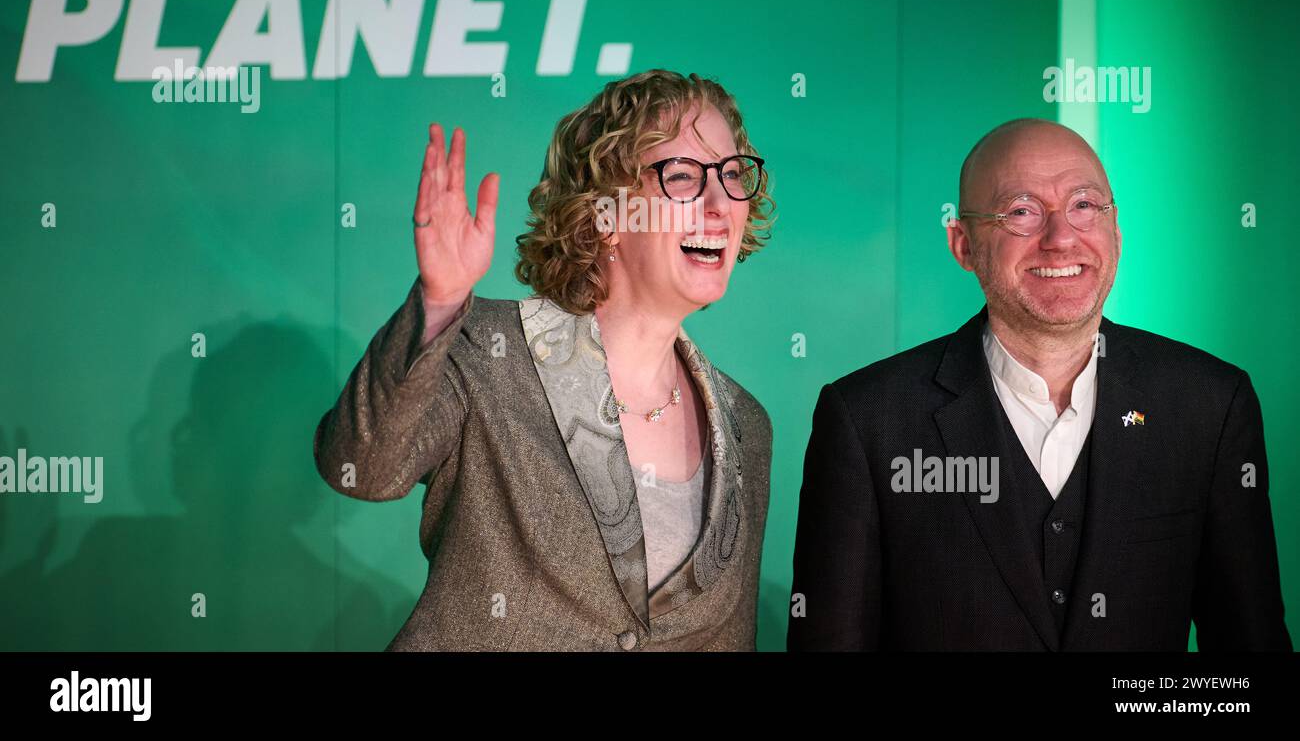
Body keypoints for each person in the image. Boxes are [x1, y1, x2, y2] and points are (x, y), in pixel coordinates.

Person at [788, 117, 1290, 651]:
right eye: (1021, 212)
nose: (1060, 238)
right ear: (963, 244)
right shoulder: (869, 421)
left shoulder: (1210, 405)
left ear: (1115, 231)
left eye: (1083, 206)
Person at [315, 70, 775, 650]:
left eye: (733, 176)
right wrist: (439, 303)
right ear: (606, 214)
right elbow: (360, 467)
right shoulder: (486, 349)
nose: (719, 205)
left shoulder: (746, 425)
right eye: (682, 177)